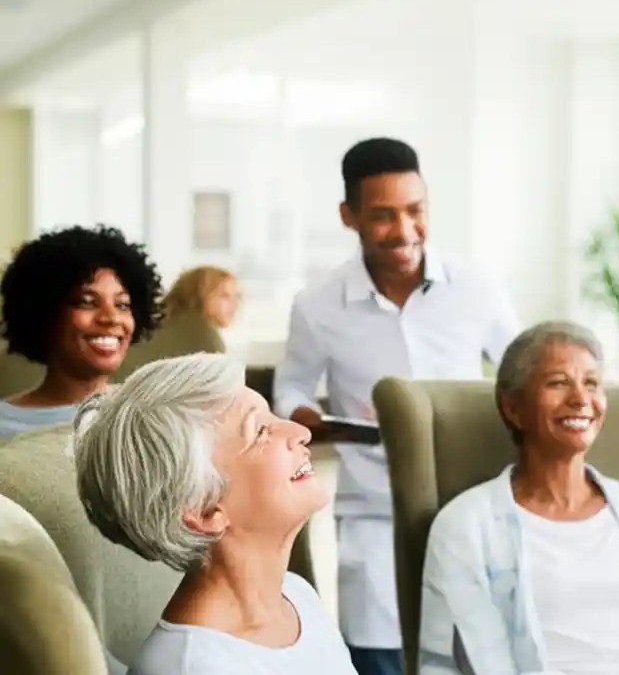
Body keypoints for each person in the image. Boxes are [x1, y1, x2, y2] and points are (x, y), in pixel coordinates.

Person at [274, 137, 520, 675]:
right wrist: (305, 416)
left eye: (415, 211)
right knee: (381, 654)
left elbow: (520, 373)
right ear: (349, 216)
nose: (404, 231)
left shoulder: (476, 288)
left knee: (477, 648)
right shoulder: (318, 306)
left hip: (474, 500)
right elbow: (290, 388)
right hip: (372, 512)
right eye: (383, 216)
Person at [419, 321, 619, 674]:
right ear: (513, 408)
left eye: (591, 383)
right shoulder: (465, 525)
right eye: (558, 382)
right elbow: (439, 664)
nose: (580, 399)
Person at [73, 353, 356, 675]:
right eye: (261, 432)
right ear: (205, 510)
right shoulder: (192, 667)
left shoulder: (296, 596)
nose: (299, 432)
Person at [0, 225, 164, 441]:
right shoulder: (6, 426)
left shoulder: (154, 417)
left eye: (122, 305)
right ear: (44, 312)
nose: (111, 317)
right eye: (87, 302)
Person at [163, 266, 242, 330]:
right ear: (197, 297)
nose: (235, 304)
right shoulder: (204, 341)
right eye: (224, 296)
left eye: (237, 296)